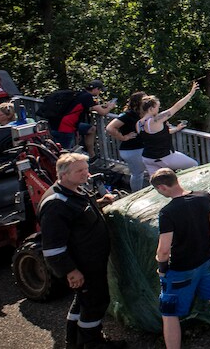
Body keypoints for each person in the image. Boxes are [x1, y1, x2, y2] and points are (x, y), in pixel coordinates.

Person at [38, 152, 125, 349]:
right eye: (80, 171)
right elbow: (52, 247)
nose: (86, 174)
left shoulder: (73, 190)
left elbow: (80, 214)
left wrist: (99, 203)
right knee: (95, 302)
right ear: (63, 174)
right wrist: (70, 271)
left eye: (86, 169)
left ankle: (74, 340)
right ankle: (93, 342)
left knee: (82, 301)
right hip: (83, 265)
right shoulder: (56, 204)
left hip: (90, 262)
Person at [151, 168, 210, 349]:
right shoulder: (204, 196)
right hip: (206, 259)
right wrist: (204, 239)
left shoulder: (167, 212)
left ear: (162, 187)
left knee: (169, 312)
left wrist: (162, 267)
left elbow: (164, 250)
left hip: (181, 268)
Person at [138, 82, 199, 177]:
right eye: (157, 107)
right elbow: (176, 107)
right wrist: (190, 93)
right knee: (194, 165)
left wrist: (176, 129)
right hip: (164, 157)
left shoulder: (138, 124)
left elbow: (154, 136)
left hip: (148, 158)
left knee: (157, 183)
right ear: (151, 109)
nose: (158, 110)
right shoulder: (156, 120)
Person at [54, 79, 116, 154]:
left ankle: (91, 155)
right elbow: (102, 112)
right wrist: (110, 107)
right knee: (65, 152)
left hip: (59, 122)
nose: (100, 92)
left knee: (91, 129)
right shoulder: (88, 97)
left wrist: (103, 105)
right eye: (100, 90)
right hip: (66, 126)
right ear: (96, 89)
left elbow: (90, 107)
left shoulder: (81, 94)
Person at [105, 92, 147, 191]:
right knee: (137, 174)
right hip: (132, 149)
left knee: (141, 172)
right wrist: (123, 137)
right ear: (138, 102)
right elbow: (110, 128)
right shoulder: (128, 115)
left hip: (138, 148)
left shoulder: (142, 114)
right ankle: (136, 195)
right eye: (145, 100)